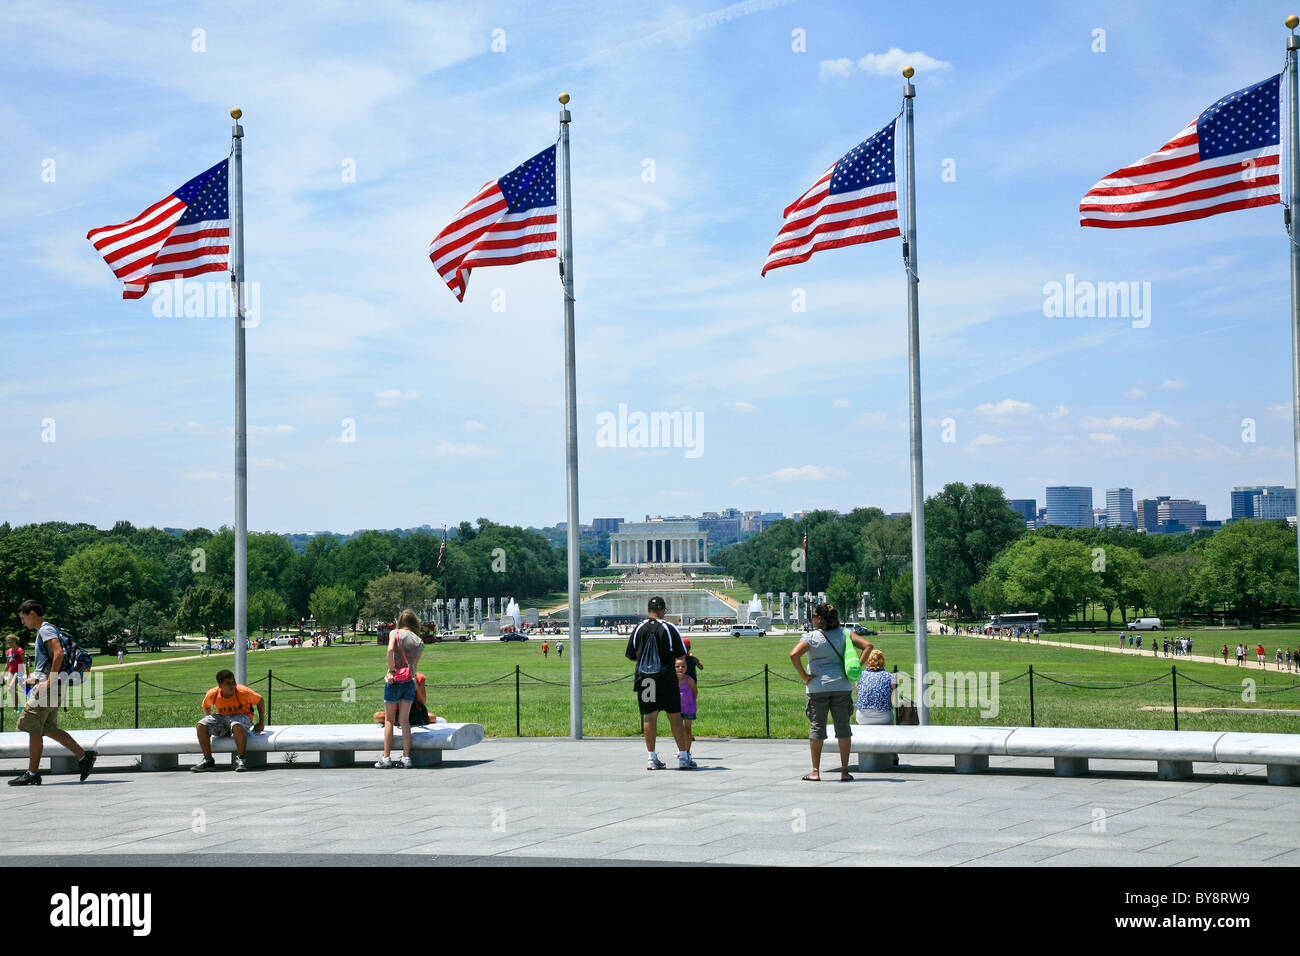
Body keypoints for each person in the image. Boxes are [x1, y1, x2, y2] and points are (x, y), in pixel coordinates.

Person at [8, 600, 96, 786]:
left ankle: (32, 773)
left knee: (31, 724)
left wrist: (49, 680)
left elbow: (59, 653)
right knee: (46, 728)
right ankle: (83, 757)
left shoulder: (45, 629)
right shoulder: (48, 629)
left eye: (23, 618)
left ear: (32, 613)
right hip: (51, 685)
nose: (23, 622)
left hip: (48, 687)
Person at [790, 603, 872, 783]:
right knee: (843, 728)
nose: (812, 618)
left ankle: (815, 771)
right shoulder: (845, 634)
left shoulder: (811, 637)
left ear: (820, 618)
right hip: (842, 686)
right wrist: (855, 667)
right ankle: (844, 771)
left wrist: (804, 675)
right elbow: (868, 645)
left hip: (818, 687)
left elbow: (794, 655)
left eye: (813, 616)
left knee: (817, 728)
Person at [625, 596, 693, 770]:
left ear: (648, 610)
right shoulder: (669, 628)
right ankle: (684, 756)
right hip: (667, 678)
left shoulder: (639, 628)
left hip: (646, 679)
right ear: (663, 610)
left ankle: (651, 757)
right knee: (674, 716)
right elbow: (681, 654)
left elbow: (632, 655)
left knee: (650, 716)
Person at [376, 609, 424, 768]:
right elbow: (415, 667)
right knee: (404, 721)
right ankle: (406, 757)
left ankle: (386, 757)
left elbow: (390, 651)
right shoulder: (419, 641)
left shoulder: (394, 633)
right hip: (409, 682)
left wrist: (392, 670)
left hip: (394, 681)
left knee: (389, 720)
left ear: (400, 623)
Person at [192, 669, 265, 772]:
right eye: (228, 683)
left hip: (243, 716)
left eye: (233, 682)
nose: (232, 686)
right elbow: (206, 705)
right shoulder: (213, 693)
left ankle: (241, 759)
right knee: (201, 725)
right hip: (223, 717)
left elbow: (260, 700)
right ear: (220, 685)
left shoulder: (243, 692)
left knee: (236, 724)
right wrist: (210, 723)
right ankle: (208, 760)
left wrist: (261, 722)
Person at [855, 649, 897, 731]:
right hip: (884, 718)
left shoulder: (859, 675)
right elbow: (893, 699)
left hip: (863, 717)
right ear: (882, 662)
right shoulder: (891, 677)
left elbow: (859, 695)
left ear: (867, 661)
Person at [674, 656, 696, 752]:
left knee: (687, 729)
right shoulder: (672, 680)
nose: (680, 668)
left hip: (688, 708)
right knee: (679, 729)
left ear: (686, 667)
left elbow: (695, 692)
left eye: (683, 666)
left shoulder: (689, 680)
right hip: (677, 708)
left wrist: (691, 702)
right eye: (677, 666)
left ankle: (687, 751)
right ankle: (681, 749)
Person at [4, 635, 24, 711]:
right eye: (8, 642)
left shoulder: (19, 650)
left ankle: (19, 705)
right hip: (11, 672)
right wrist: (4, 673)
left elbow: (24, 662)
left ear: (15, 641)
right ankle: (17, 707)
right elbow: (7, 664)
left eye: (10, 642)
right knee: (11, 690)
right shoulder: (8, 651)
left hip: (19, 672)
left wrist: (28, 674)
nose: (9, 643)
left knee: (10, 689)